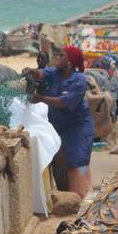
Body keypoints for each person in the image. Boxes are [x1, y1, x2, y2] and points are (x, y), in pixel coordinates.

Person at [24, 46, 94, 198]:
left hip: (78, 126)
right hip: (58, 126)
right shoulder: (54, 73)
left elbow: (64, 102)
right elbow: (41, 73)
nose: (56, 57)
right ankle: (67, 197)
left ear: (69, 62)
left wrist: (41, 99)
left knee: (78, 161)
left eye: (61, 55)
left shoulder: (79, 80)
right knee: (60, 161)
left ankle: (82, 196)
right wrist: (30, 71)